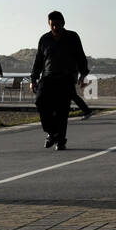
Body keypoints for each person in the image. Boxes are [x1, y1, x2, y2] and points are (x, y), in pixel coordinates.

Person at [31, 10, 89, 151]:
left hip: (66, 78)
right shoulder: (44, 39)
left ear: (63, 23)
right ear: (49, 25)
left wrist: (83, 75)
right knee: (40, 102)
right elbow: (38, 60)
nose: (55, 27)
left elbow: (80, 56)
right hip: (47, 77)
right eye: (52, 25)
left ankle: (60, 141)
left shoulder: (73, 37)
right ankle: (52, 133)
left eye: (58, 24)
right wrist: (33, 79)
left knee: (62, 111)